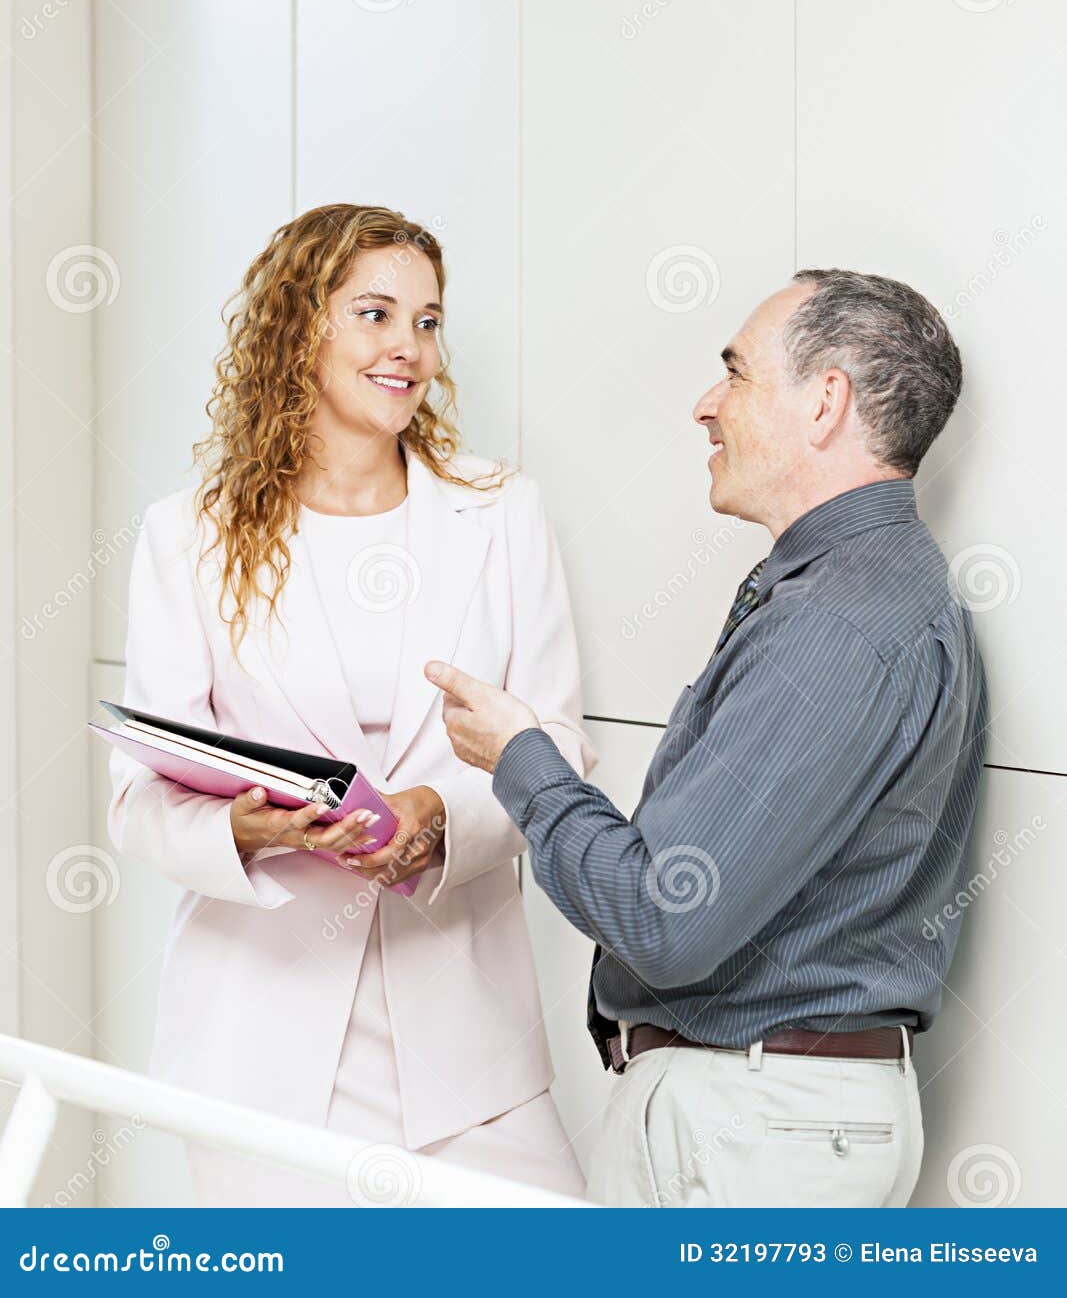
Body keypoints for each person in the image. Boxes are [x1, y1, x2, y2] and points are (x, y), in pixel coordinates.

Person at [425, 267, 989, 1208]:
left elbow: (665, 921)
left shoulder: (837, 620)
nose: (704, 405)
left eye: (734, 372)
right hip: (766, 1117)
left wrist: (522, 759)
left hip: (753, 1125)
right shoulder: (861, 592)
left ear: (825, 403)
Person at [108, 202, 593, 1206]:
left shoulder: (500, 511)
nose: (407, 349)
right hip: (259, 1037)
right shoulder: (188, 536)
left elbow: (558, 749)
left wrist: (438, 817)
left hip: (465, 1037)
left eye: (426, 320)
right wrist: (238, 826)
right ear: (300, 328)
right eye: (374, 314)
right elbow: (138, 797)